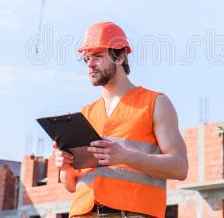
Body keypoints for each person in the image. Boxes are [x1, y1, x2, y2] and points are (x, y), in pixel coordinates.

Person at [54, 21, 188, 218]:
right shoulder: (86, 114)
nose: (90, 63)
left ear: (121, 56)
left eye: (98, 56)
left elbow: (180, 167)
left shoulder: (155, 103)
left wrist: (125, 156)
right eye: (87, 58)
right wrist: (65, 167)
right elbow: (72, 186)